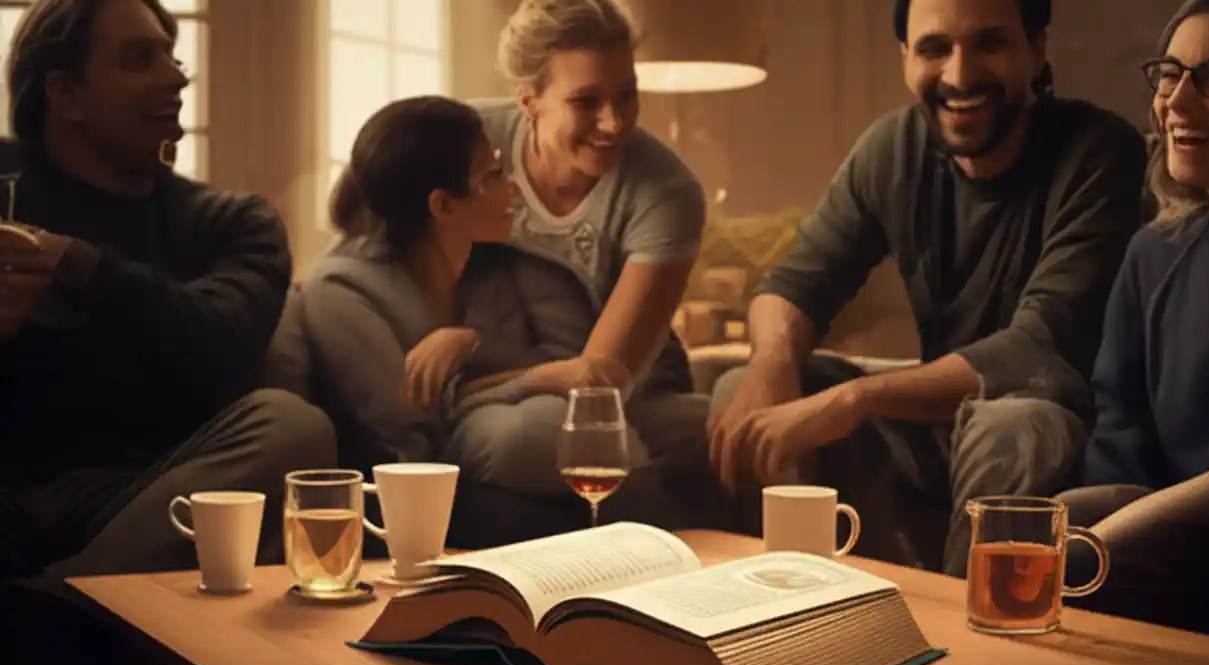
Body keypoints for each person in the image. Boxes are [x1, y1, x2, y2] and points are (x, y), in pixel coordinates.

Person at [708, 0, 1149, 576]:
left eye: (989, 43)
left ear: (1036, 49)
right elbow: (794, 285)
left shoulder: (1099, 152)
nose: (960, 75)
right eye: (935, 48)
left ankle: (970, 627)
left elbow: (1036, 348)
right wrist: (772, 362)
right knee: (740, 390)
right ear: (905, 59)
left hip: (1048, 423)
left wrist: (855, 398)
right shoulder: (894, 148)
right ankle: (787, 603)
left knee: (1013, 427)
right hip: (933, 428)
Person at [0, 0, 335, 581]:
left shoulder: (231, 222)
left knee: (294, 427)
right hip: (9, 486)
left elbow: (221, 347)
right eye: (139, 59)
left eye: (171, 57)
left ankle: (68, 602)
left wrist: (78, 264)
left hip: (147, 499)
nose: (177, 78)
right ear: (66, 94)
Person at [437, 0, 730, 545]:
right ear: (528, 100)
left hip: (611, 392)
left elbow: (599, 382)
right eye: (585, 101)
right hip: (488, 383)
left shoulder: (666, 192)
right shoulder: (461, 140)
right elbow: (368, 228)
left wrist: (468, 389)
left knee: (535, 437)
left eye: (626, 94)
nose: (613, 122)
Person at [1058, 0, 1209, 641]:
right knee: (1034, 530)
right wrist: (1100, 532)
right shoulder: (1153, 256)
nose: (1177, 102)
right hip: (1174, 555)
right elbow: (1119, 445)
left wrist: (1113, 536)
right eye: (1169, 74)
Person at [268, 96, 520, 481]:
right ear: (444, 206)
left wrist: (471, 343)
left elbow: (543, 358)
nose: (513, 188)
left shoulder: (493, 270)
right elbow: (412, 441)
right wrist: (540, 379)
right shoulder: (339, 291)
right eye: (494, 175)